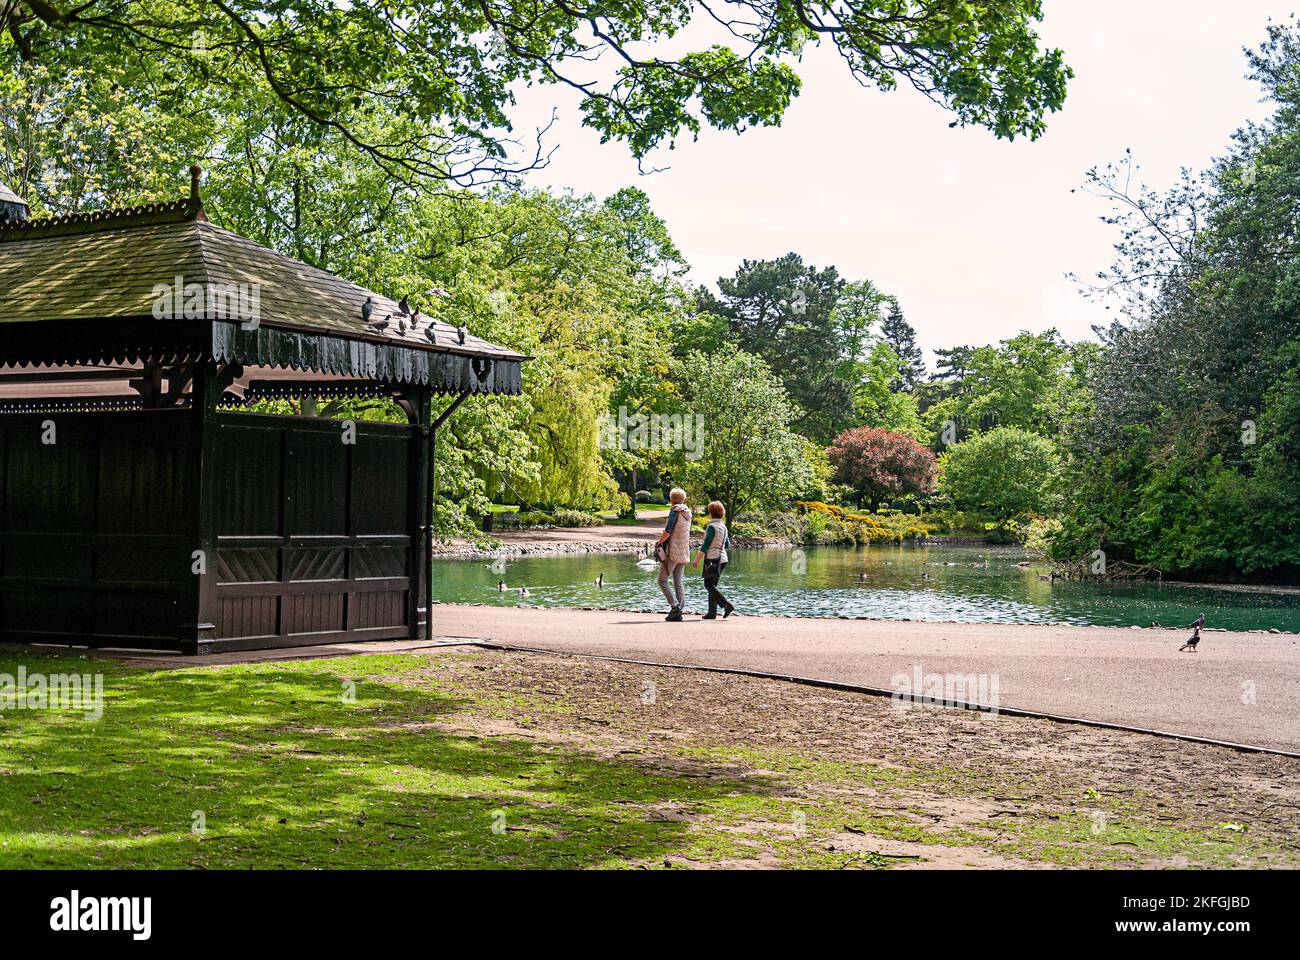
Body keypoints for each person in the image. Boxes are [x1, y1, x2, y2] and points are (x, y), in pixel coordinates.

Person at [692, 501, 734, 620]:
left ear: (711, 513)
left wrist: (696, 560)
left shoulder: (711, 527)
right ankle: (712, 612)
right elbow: (727, 544)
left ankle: (726, 605)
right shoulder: (723, 527)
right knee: (713, 585)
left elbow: (705, 545)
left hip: (712, 558)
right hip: (723, 559)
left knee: (709, 584)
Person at [656, 488, 693, 621]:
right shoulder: (687, 513)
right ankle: (679, 611)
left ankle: (675, 606)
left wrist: (659, 543)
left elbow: (668, 531)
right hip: (684, 550)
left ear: (671, 499)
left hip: (673, 551)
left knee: (662, 580)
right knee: (678, 582)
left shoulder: (675, 511)